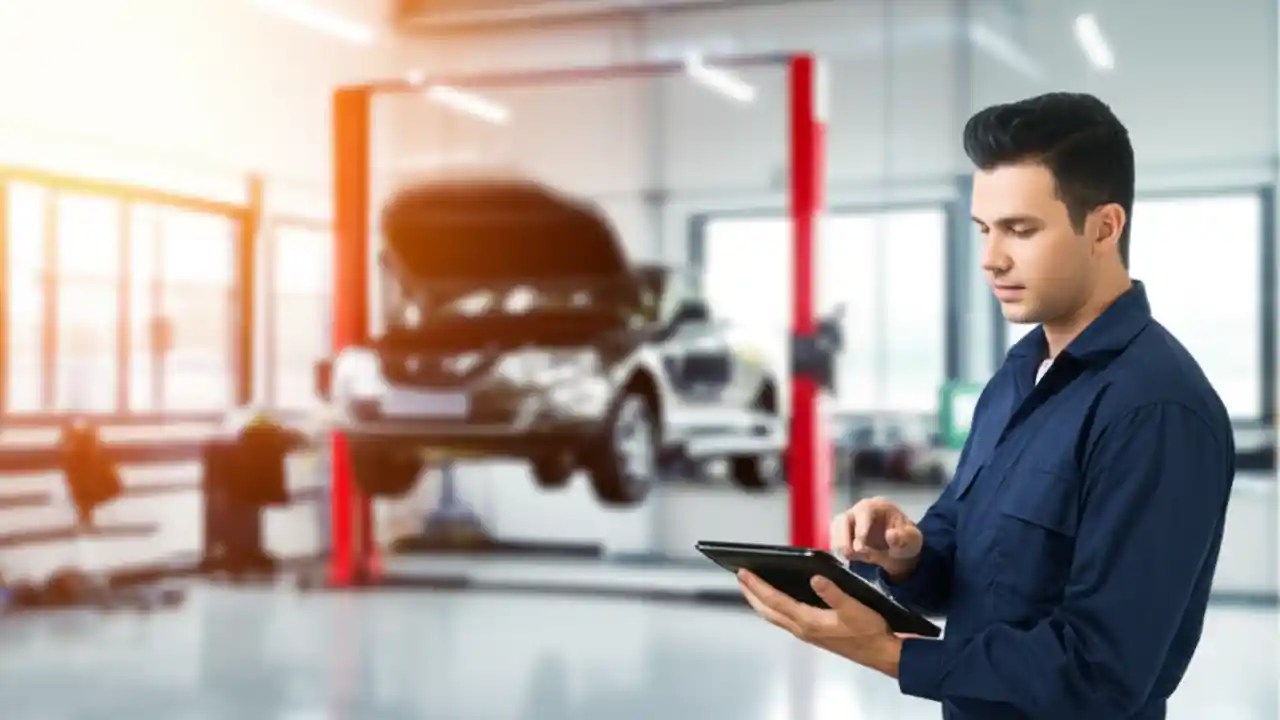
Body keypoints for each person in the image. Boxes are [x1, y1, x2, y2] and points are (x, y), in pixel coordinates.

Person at [736, 92, 1236, 719]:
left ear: (1105, 227)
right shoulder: (1018, 375)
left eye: (1020, 230)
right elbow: (964, 553)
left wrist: (891, 654)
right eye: (983, 229)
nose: (990, 258)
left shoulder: (1157, 409)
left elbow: (1102, 671)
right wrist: (907, 551)